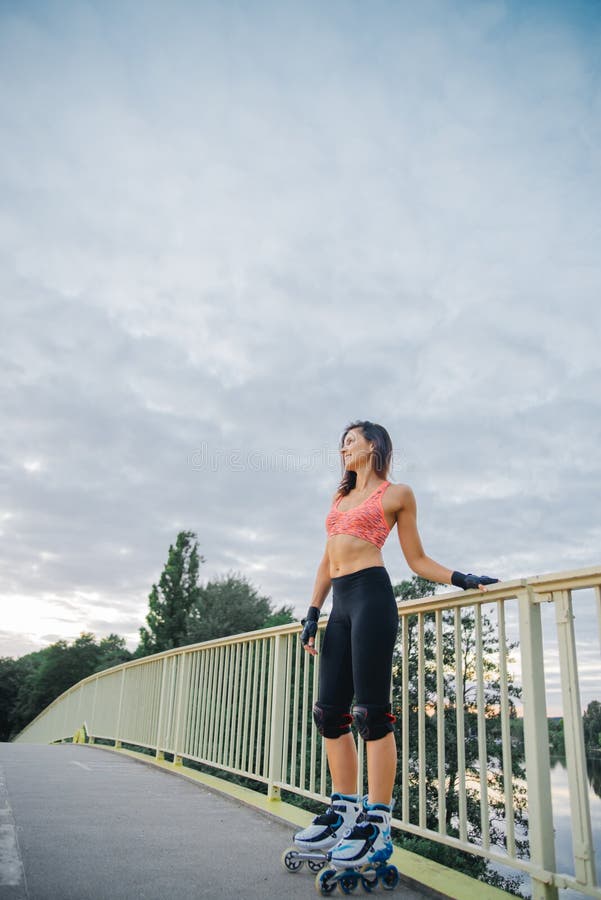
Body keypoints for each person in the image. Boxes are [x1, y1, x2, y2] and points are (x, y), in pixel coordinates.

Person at [294, 420, 499, 870]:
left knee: (370, 712)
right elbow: (328, 558)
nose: (343, 446)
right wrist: (312, 614)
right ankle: (344, 809)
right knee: (329, 713)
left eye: (352, 440)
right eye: (341, 442)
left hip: (371, 598)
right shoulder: (339, 498)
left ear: (374, 445)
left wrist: (462, 578)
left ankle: (377, 821)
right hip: (339, 607)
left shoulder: (396, 494)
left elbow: (416, 559)